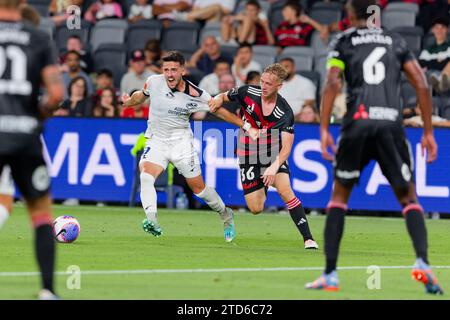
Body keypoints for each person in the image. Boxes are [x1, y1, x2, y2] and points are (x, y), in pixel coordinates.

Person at [305, 0, 443, 295]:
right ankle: (422, 262)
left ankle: (330, 274)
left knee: (339, 197)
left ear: (349, 15)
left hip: (357, 124)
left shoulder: (344, 41)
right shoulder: (396, 40)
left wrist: (324, 128)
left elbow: (331, 83)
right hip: (391, 124)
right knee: (408, 198)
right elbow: (421, 83)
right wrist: (428, 131)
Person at [121, 51, 259, 242]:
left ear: (183, 71)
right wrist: (128, 102)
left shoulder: (197, 95)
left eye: (174, 70)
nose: (169, 74)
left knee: (199, 189)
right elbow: (141, 96)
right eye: (166, 69)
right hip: (156, 140)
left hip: (181, 143)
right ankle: (152, 220)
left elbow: (220, 113)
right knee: (145, 176)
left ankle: (226, 215)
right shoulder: (153, 81)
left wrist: (246, 126)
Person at [209, 63, 319, 250]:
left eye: (269, 83)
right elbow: (223, 98)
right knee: (256, 208)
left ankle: (308, 239)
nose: (264, 86)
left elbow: (287, 148)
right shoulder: (247, 92)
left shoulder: (284, 112)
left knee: (286, 190)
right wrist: (218, 99)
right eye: (262, 81)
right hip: (247, 152)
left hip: (272, 153)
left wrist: (274, 166)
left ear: (279, 86)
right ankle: (258, 189)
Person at [0, 0, 65, 299]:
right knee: (40, 214)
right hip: (25, 137)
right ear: (22, 4)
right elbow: (56, 94)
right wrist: (35, 116)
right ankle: (48, 291)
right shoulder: (38, 37)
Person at [419, 16, 450, 93]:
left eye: (442, 27)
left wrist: (431, 63)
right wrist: (439, 62)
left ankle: (440, 83)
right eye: (437, 28)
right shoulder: (427, 50)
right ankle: (440, 84)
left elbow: (427, 64)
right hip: (431, 76)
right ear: (433, 30)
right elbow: (420, 64)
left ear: (447, 30)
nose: (439, 30)